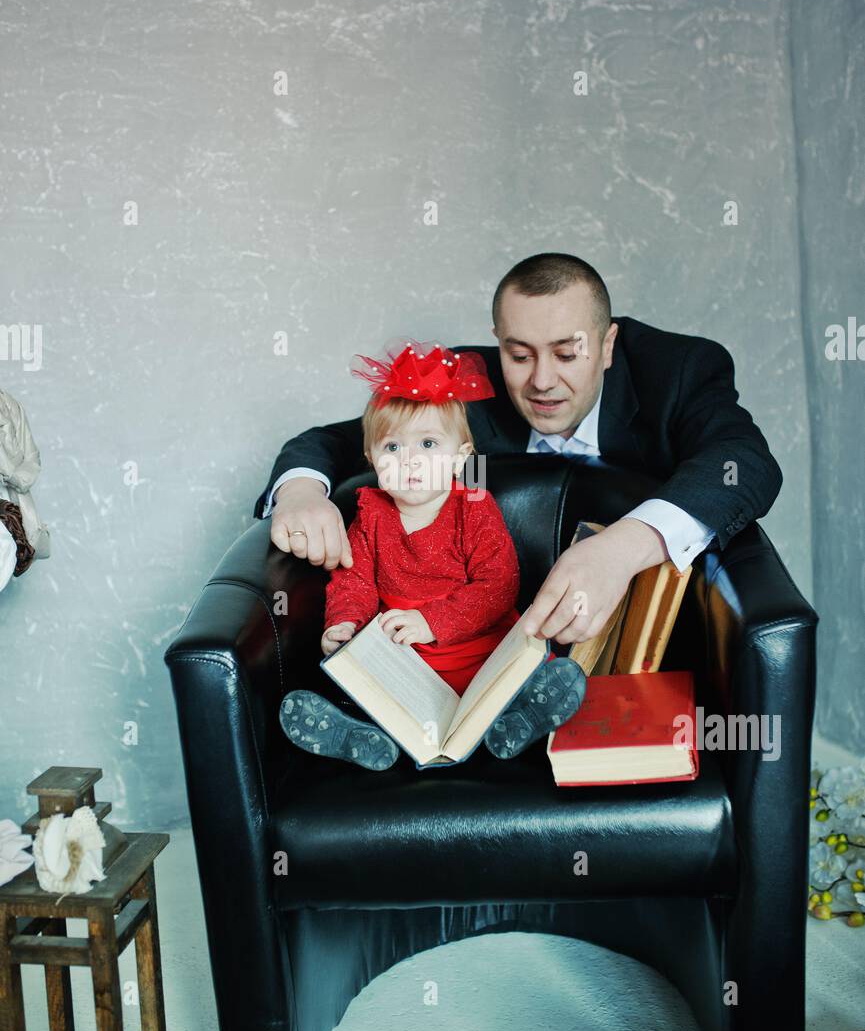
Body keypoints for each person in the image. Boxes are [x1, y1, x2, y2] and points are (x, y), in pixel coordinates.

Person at [255, 252, 783, 647]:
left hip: (652, 647)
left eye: (567, 353)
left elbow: (745, 462)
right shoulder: (467, 389)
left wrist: (621, 549)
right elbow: (333, 441)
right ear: (497, 341)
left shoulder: (679, 370)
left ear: (607, 346)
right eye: (519, 355)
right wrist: (300, 491)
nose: (542, 381)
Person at [279, 339, 587, 770]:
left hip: (477, 651)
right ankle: (362, 736)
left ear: (460, 458)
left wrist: (430, 621)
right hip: (409, 661)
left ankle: (517, 721)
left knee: (515, 680)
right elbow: (354, 580)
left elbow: (497, 586)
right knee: (364, 684)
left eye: (427, 445)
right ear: (371, 458)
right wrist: (344, 623)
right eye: (392, 448)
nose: (410, 461)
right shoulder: (369, 514)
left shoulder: (475, 509)